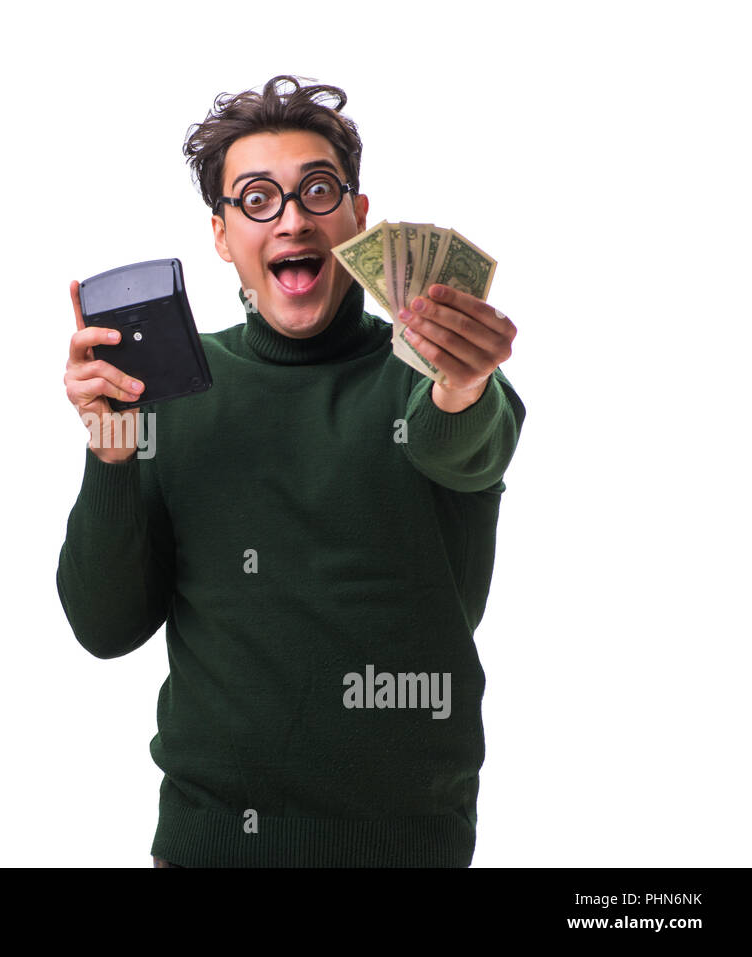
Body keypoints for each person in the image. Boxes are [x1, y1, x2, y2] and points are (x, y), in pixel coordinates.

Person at [56, 76, 524, 867]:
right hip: (207, 847)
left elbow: (464, 441)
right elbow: (105, 628)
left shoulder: (427, 373)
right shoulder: (173, 390)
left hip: (406, 849)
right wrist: (109, 456)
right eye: (257, 199)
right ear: (220, 234)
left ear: (358, 218)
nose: (293, 218)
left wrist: (464, 383)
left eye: (316, 190)